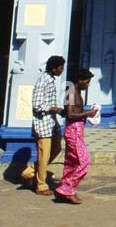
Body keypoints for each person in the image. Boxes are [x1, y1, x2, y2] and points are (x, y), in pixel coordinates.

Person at [21, 56, 65, 196]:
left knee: (56, 148)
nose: (62, 70)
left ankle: (32, 170)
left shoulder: (51, 80)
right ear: (54, 68)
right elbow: (37, 105)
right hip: (42, 123)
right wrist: (55, 109)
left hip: (51, 123)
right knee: (44, 155)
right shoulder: (42, 81)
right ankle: (41, 185)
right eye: (61, 67)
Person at [54, 69, 98, 204]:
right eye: (87, 82)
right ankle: (66, 188)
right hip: (73, 130)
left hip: (77, 129)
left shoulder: (76, 92)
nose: (88, 85)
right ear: (80, 80)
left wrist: (88, 112)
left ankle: (64, 190)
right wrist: (88, 113)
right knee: (84, 161)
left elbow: (73, 111)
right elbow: (70, 115)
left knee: (71, 162)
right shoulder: (71, 92)